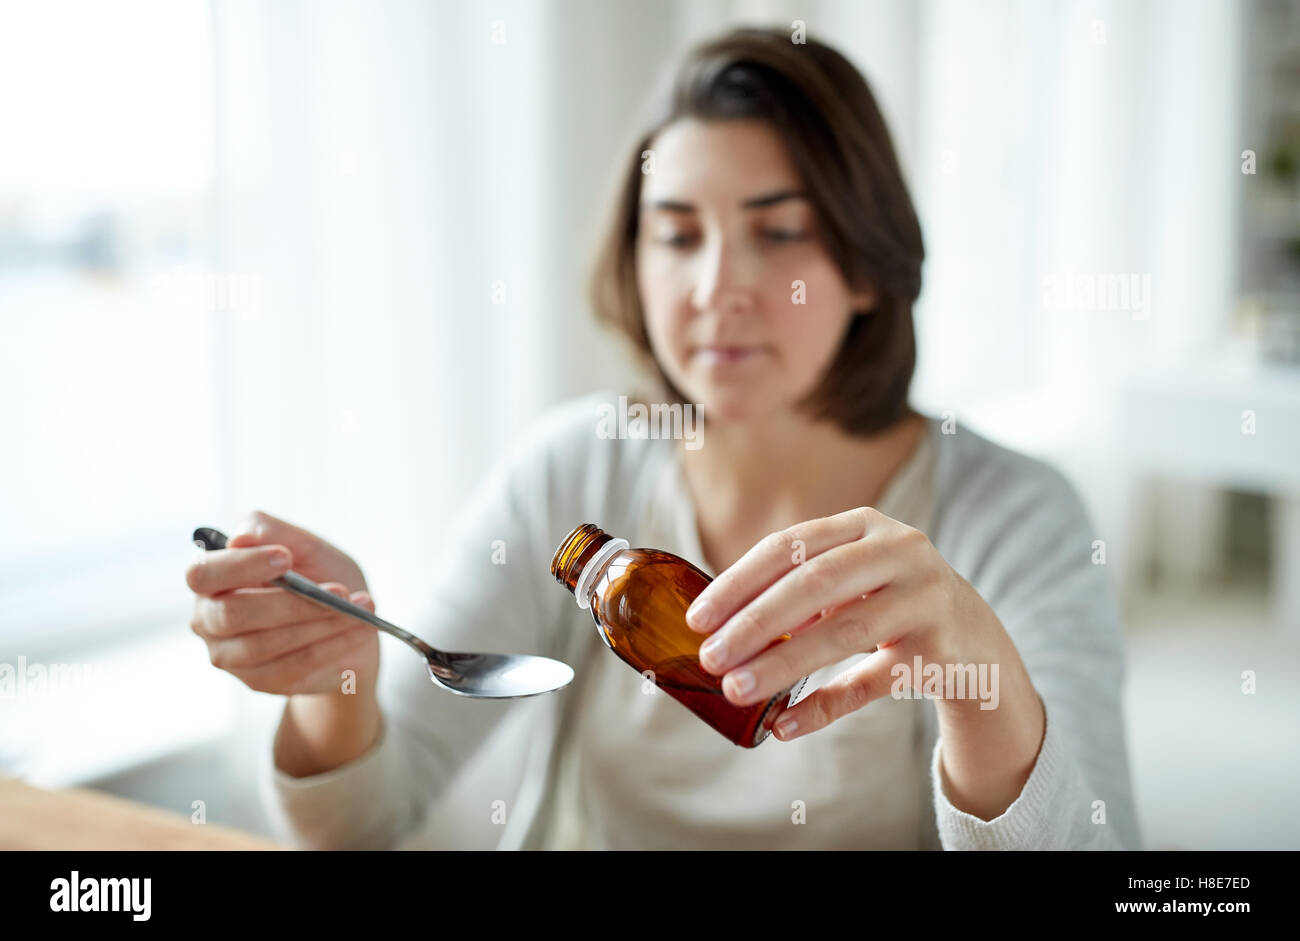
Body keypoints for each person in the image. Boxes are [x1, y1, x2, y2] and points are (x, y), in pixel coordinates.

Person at [185, 25, 1140, 850]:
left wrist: (979, 680)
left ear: (866, 268)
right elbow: (361, 824)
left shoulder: (1017, 515)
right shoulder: (572, 471)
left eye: (779, 233)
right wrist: (337, 677)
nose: (717, 286)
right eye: (677, 234)